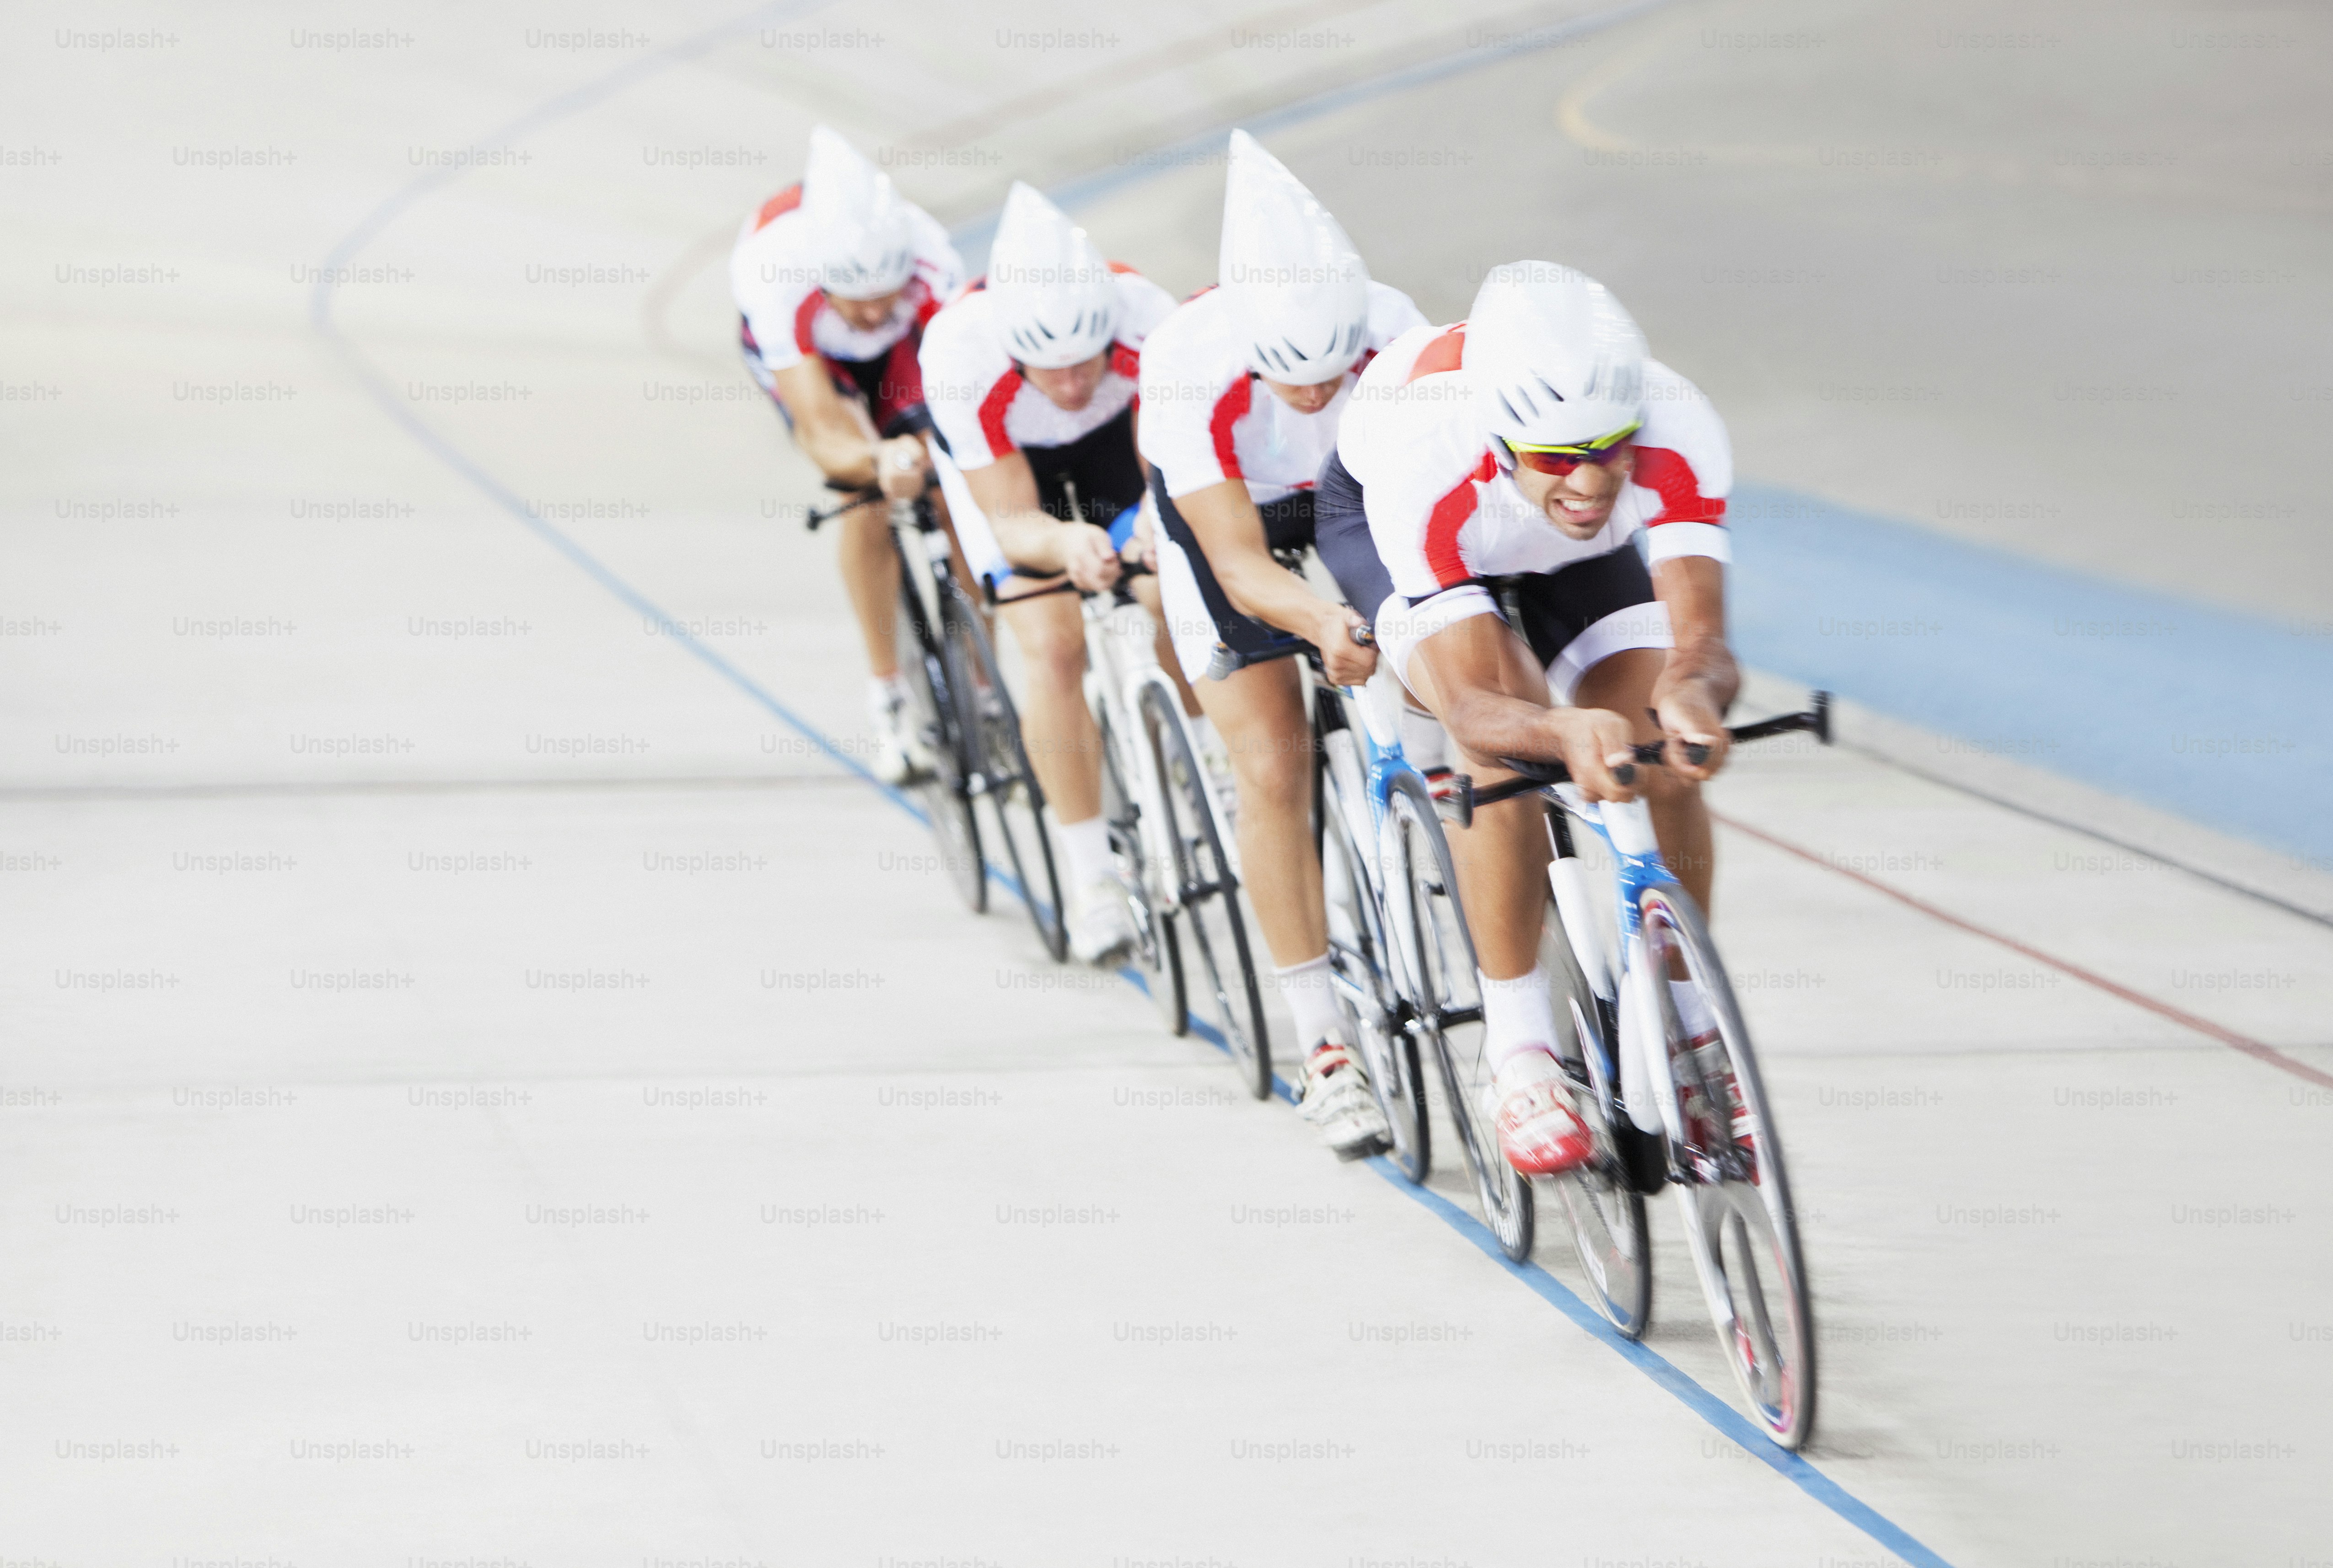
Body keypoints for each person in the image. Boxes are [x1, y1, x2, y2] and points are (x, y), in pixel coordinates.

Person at [1314, 261, 1738, 1177]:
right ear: (1505, 437)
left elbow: (1702, 646)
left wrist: (1695, 700)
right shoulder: (1427, 452)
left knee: (1659, 750)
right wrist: (1558, 733)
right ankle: (1520, 1055)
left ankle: (1693, 1031)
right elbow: (1474, 704)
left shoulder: (1675, 423)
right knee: (1501, 758)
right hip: (1412, 535)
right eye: (1557, 456)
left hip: (1559, 551)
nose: (1589, 480)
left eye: (1609, 448)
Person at [1136, 130, 1427, 1158]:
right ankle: (1324, 1049)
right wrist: (1316, 622)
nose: (1310, 396)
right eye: (1288, 382)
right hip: (1234, 520)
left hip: (1350, 501)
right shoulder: (1185, 363)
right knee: (1273, 761)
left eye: (1328, 376)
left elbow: (1432, 514)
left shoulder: (1395, 332)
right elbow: (1237, 561)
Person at [917, 183, 1179, 963]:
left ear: (1110, 330)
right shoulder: (961, 354)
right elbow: (1008, 521)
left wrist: (1155, 540)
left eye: (1084, 362)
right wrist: (1068, 546)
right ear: (1012, 343)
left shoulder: (1149, 319)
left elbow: (1171, 478)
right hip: (1014, 475)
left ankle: (1204, 761)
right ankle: (1090, 872)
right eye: (1050, 368)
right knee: (1053, 644)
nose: (1069, 383)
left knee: (1174, 592)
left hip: (1114, 447)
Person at [731, 125, 963, 784]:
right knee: (861, 496)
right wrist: (876, 463)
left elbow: (960, 391)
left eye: (884, 294)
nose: (870, 311)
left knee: (952, 485)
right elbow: (822, 429)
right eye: (855, 298)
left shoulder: (930, 260)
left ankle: (979, 683)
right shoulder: (773, 275)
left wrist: (933, 453)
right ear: (824, 276)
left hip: (903, 356)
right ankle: (888, 693)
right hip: (816, 361)